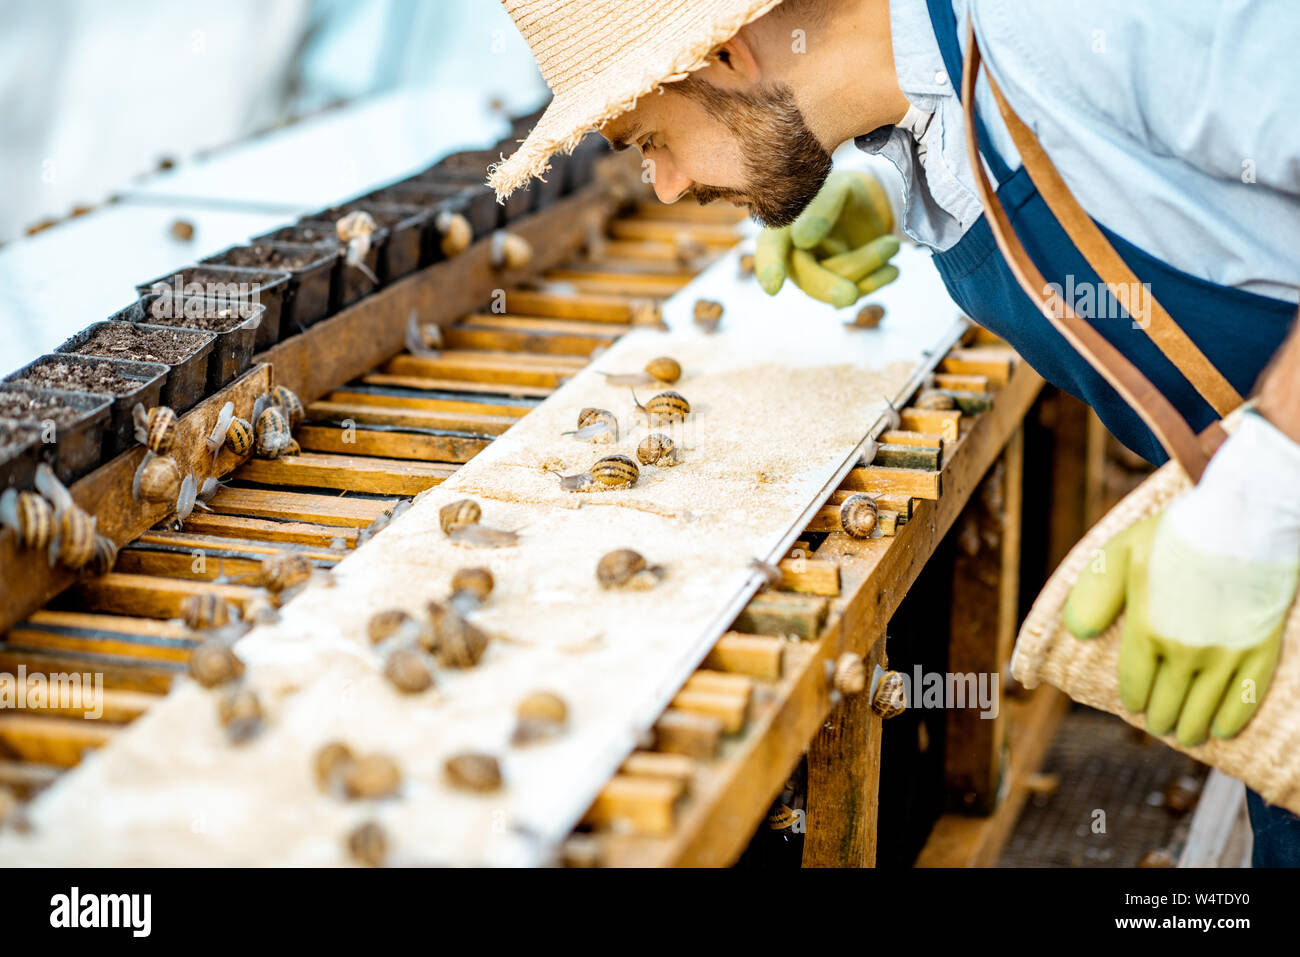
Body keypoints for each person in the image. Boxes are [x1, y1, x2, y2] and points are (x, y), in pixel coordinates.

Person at [490, 0, 1300, 866]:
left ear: (726, 53)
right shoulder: (940, 83)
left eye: (650, 140)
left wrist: (1260, 493)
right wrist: (890, 189)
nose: (668, 186)